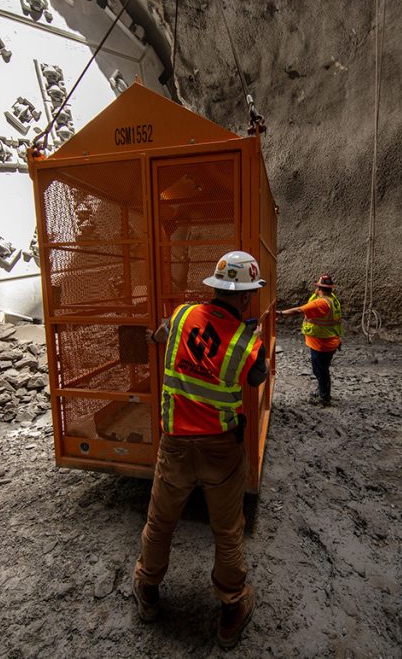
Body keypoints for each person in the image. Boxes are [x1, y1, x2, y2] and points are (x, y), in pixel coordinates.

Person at [134, 250, 266, 648]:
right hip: (221, 450)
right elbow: (257, 377)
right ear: (244, 297)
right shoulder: (247, 341)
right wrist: (250, 337)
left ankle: (148, 590)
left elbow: (158, 334)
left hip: (174, 445)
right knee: (227, 531)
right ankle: (231, 610)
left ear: (216, 286)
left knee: (160, 523)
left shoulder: (181, 316)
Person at [277, 274, 342, 406]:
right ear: (331, 289)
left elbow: (299, 310)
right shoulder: (332, 299)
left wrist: (280, 313)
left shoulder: (321, 302)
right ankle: (323, 392)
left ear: (318, 288)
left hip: (322, 344)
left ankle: (324, 398)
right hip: (329, 341)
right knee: (322, 369)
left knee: (321, 371)